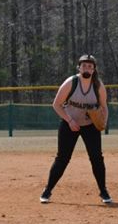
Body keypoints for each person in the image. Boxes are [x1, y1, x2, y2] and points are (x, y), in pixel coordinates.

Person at [39, 54, 112, 205]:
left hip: (90, 126)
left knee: (97, 158)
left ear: (94, 70)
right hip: (69, 124)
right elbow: (56, 104)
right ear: (79, 68)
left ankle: (103, 191)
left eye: (90, 66)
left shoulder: (98, 85)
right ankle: (47, 190)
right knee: (62, 158)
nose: (87, 68)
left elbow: (104, 106)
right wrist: (70, 120)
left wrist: (103, 122)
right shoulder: (71, 83)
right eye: (84, 66)